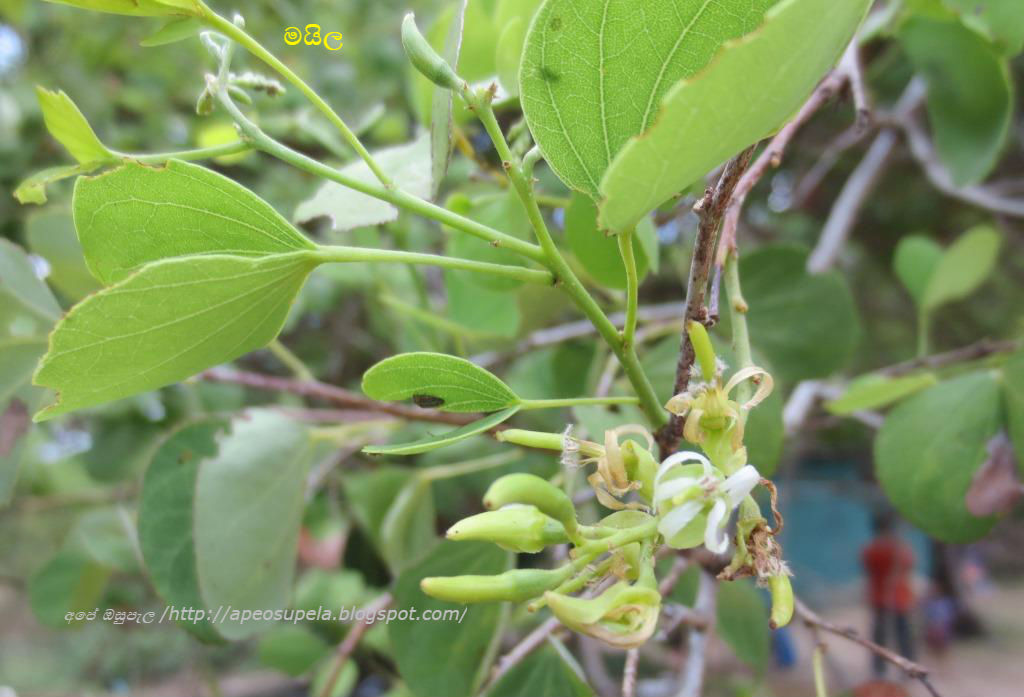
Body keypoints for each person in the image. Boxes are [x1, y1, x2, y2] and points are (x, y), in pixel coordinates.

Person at [861, 512, 916, 677]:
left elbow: (907, 565)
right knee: (887, 634)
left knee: (898, 633)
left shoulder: (880, 548)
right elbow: (909, 564)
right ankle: (882, 668)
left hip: (895, 598)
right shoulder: (885, 549)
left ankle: (904, 666)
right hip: (886, 597)